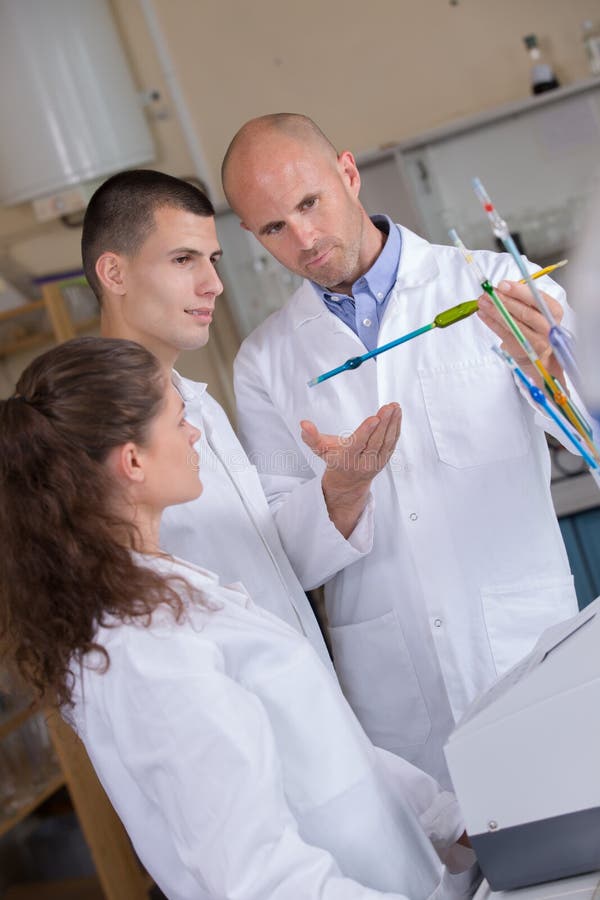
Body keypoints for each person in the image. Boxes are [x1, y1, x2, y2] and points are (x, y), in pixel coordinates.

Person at [0, 336, 476, 899]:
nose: (195, 433)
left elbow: (325, 752)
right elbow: (260, 881)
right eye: (179, 422)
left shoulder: (169, 594)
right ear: (132, 461)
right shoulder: (149, 650)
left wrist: (453, 824)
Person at [221, 113, 582, 788]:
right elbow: (280, 560)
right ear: (249, 234)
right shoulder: (264, 362)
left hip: (523, 647)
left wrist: (552, 372)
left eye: (309, 203)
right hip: (400, 700)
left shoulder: (498, 282)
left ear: (349, 175)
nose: (302, 238)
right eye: (273, 227)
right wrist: (342, 491)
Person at [81, 169, 402, 672]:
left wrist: (341, 489)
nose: (213, 285)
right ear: (115, 274)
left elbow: (260, 558)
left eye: (212, 261)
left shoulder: (198, 408)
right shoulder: (87, 434)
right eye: (183, 259)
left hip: (294, 698)